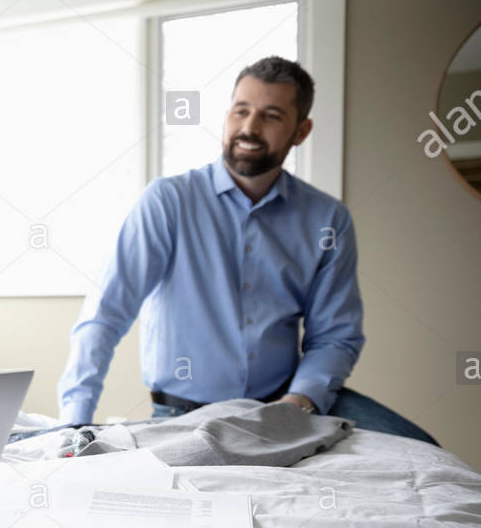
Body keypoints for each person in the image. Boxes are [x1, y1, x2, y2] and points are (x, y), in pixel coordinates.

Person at [57, 56, 437, 444]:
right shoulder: (167, 201)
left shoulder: (328, 219)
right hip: (183, 412)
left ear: (301, 131)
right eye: (241, 111)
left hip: (286, 403)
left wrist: (296, 406)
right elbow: (105, 315)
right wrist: (75, 420)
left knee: (420, 447)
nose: (249, 128)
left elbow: (335, 336)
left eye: (271, 115)